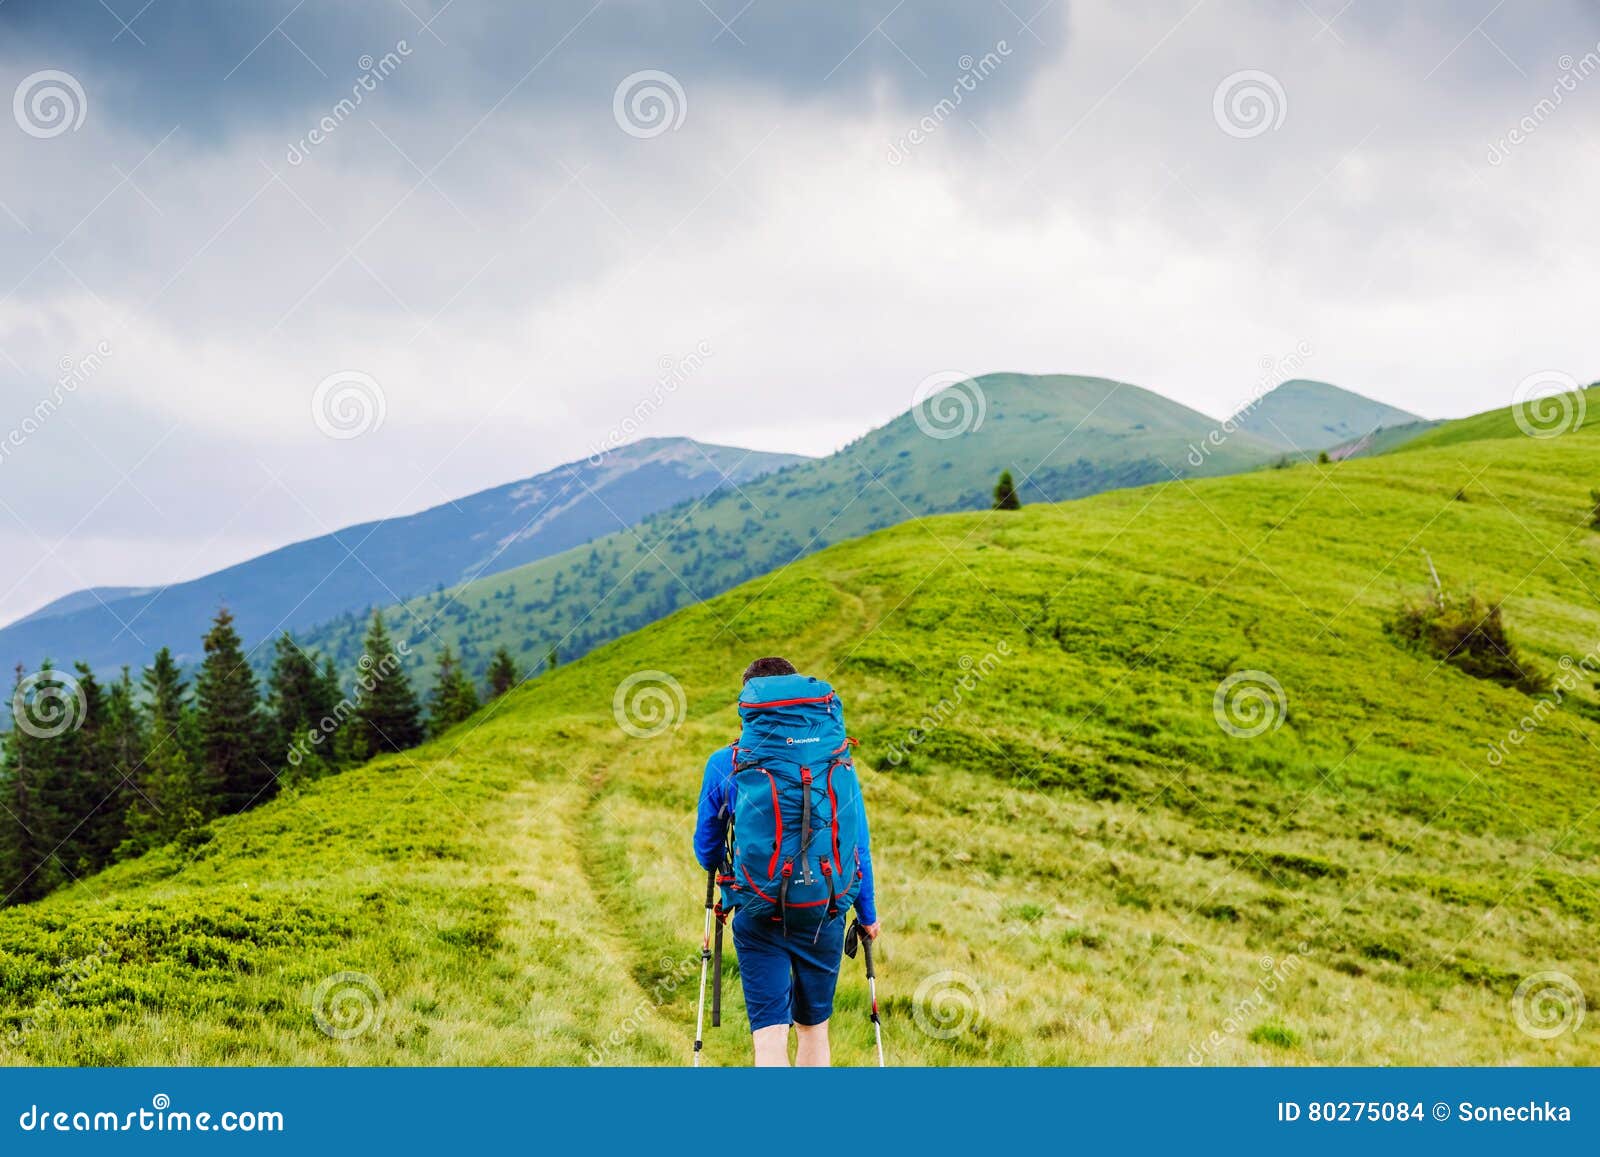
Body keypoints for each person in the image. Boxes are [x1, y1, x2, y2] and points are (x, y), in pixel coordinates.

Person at [693, 656, 879, 1066]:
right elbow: (856, 843)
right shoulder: (836, 758)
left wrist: (726, 878)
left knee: (770, 1034)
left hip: (759, 911)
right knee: (814, 1031)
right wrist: (867, 914)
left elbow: (705, 847)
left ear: (749, 703)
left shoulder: (725, 763)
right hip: (825, 908)